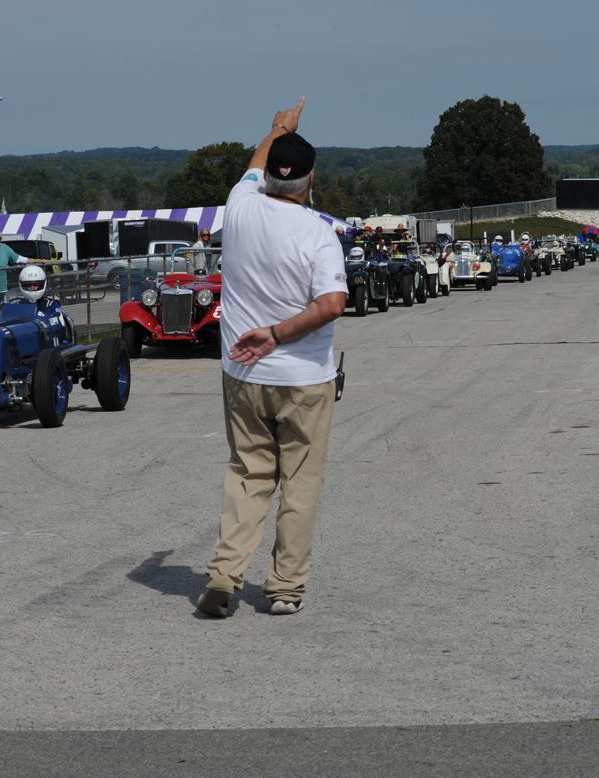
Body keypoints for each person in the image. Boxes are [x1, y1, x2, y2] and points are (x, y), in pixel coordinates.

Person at [196, 96, 347, 619]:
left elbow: (255, 165)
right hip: (303, 375)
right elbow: (332, 304)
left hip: (242, 373)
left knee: (247, 474)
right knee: (299, 482)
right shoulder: (319, 234)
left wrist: (278, 127)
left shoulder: (238, 207)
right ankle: (284, 587)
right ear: (308, 181)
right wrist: (277, 334)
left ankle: (224, 575)